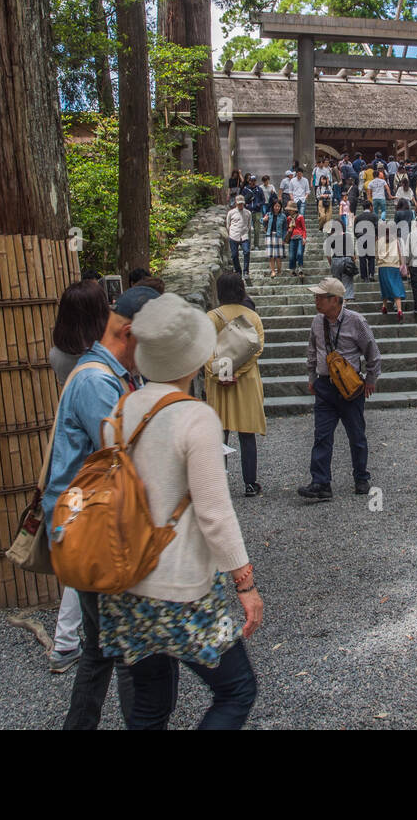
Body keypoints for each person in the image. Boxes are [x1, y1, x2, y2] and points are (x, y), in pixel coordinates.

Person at [97, 292, 261, 729]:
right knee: (237, 688)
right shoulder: (195, 418)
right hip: (180, 586)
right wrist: (244, 581)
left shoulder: (122, 408)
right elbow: (214, 512)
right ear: (193, 359)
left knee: (149, 704)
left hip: (127, 583)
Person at [46, 284, 161, 727]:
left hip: (84, 526)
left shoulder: (105, 373)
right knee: (132, 647)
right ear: (129, 333)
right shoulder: (97, 381)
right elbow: (127, 456)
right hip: (93, 531)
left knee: (98, 649)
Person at [44, 280, 112, 671]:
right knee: (84, 561)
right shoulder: (93, 367)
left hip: (67, 461)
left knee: (76, 560)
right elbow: (105, 430)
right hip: (89, 473)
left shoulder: (58, 353)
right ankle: (72, 642)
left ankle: (68, 642)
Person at [299, 277, 381, 501]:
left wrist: (371, 379)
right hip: (325, 385)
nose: (316, 300)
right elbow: (312, 349)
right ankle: (321, 483)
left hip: (350, 387)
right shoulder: (318, 321)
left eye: (320, 297)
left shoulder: (356, 321)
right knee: (321, 435)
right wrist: (312, 376)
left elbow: (372, 352)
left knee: (356, 434)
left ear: (335, 300)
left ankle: (361, 477)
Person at [205, 273, 267, 499]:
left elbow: (204, 350)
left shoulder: (211, 317)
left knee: (219, 433)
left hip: (219, 384)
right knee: (246, 434)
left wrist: (220, 374)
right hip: (246, 382)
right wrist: (237, 372)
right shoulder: (252, 316)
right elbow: (256, 350)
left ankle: (217, 483)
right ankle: (250, 483)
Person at [376, 219, 407, 320]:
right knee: (396, 286)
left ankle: (384, 306)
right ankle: (399, 310)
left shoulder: (379, 240)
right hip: (393, 266)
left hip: (382, 267)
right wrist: (402, 264)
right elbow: (400, 253)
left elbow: (376, 255)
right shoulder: (396, 240)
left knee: (384, 287)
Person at [226, 195, 253, 285]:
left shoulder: (248, 213)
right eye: (239, 204)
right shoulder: (231, 213)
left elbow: (249, 225)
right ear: (236, 204)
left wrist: (246, 231)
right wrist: (231, 232)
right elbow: (228, 224)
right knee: (234, 255)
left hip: (244, 235)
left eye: (242, 203)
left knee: (246, 252)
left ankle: (246, 271)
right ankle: (238, 271)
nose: (240, 205)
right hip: (233, 235)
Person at [263, 198, 288, 278]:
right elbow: (262, 221)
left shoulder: (283, 216)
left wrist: (284, 238)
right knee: (271, 255)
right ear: (273, 206)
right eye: (275, 206)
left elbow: (285, 228)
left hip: (279, 236)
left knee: (278, 255)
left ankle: (279, 270)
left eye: (279, 206)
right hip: (269, 235)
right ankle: (273, 271)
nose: (277, 208)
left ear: (281, 207)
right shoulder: (269, 214)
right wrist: (264, 219)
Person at [354, 200, 378, 282]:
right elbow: (376, 228)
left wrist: (358, 237)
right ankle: (371, 274)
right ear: (370, 207)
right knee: (371, 258)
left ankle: (364, 277)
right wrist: (376, 236)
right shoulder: (374, 216)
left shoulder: (358, 217)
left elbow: (355, 230)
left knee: (362, 258)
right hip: (370, 238)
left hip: (361, 238)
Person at [287, 203, 308, 279]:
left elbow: (304, 229)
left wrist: (304, 238)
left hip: (300, 237)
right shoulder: (288, 218)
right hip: (292, 238)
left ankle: (300, 268)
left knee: (299, 253)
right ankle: (292, 270)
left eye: (290, 209)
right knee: (292, 255)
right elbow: (287, 228)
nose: (289, 211)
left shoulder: (300, 217)